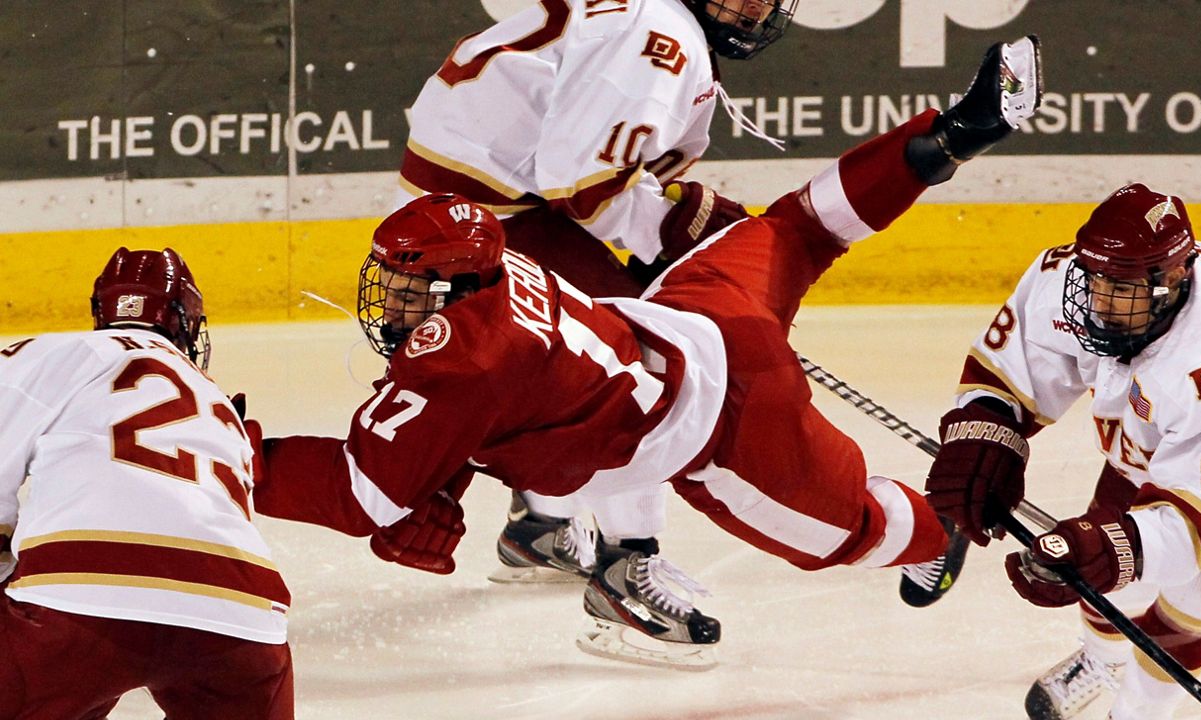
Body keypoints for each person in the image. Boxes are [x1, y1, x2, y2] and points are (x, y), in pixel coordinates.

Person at [249, 35, 1043, 669]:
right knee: (798, 228)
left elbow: (363, 492)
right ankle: (948, 137)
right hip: (699, 308)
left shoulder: (463, 361)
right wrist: (439, 480)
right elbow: (479, 417)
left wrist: (231, 453)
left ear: (458, 291)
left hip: (724, 433)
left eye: (412, 289)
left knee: (853, 529)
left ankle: (942, 531)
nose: (397, 304)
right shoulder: (507, 269)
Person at [394, 0, 800, 587]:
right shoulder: (663, 33)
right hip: (489, 219)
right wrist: (666, 231)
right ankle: (628, 564)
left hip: (490, 204)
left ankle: (540, 524)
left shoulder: (658, 19)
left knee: (572, 368)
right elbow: (581, 181)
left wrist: (664, 226)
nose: (758, 6)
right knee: (640, 360)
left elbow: (587, 171)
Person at [923, 184, 1201, 719]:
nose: (1101, 303)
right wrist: (987, 430)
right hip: (1170, 410)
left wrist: (1115, 548)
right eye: (1097, 280)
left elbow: (1193, 527)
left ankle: (1138, 714)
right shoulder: (1073, 280)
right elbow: (1011, 371)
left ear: (1176, 277)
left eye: (1124, 288)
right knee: (1105, 552)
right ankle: (1102, 659)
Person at [0, 248, 293, 718]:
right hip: (243, 611)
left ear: (101, 312)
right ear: (185, 319)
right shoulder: (217, 402)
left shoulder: (58, 352)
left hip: (79, 594)